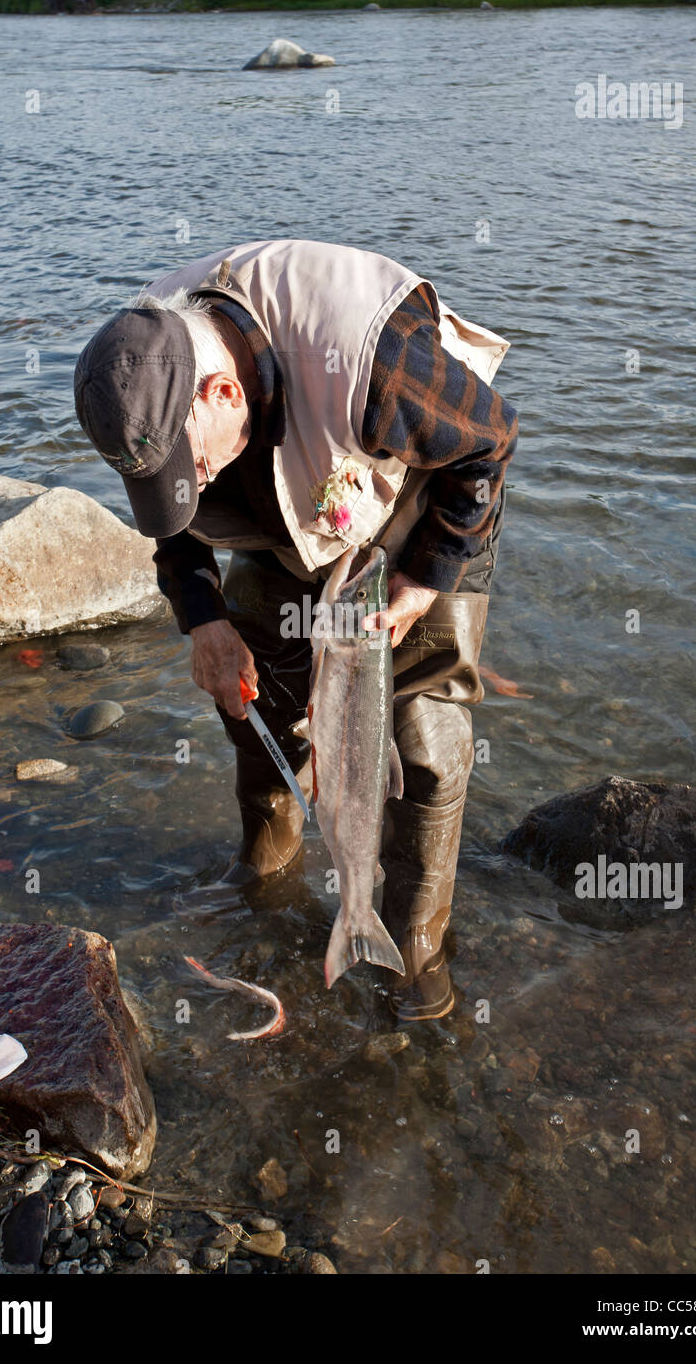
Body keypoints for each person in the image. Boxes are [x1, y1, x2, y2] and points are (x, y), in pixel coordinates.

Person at [74, 239, 517, 1021]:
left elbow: (489, 443)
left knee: (421, 740)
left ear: (220, 392)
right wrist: (202, 618)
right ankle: (267, 867)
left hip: (422, 495)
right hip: (285, 505)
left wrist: (429, 573)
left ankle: (413, 951)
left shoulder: (375, 362)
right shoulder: (139, 368)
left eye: (193, 467)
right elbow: (172, 519)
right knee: (255, 694)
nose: (190, 486)